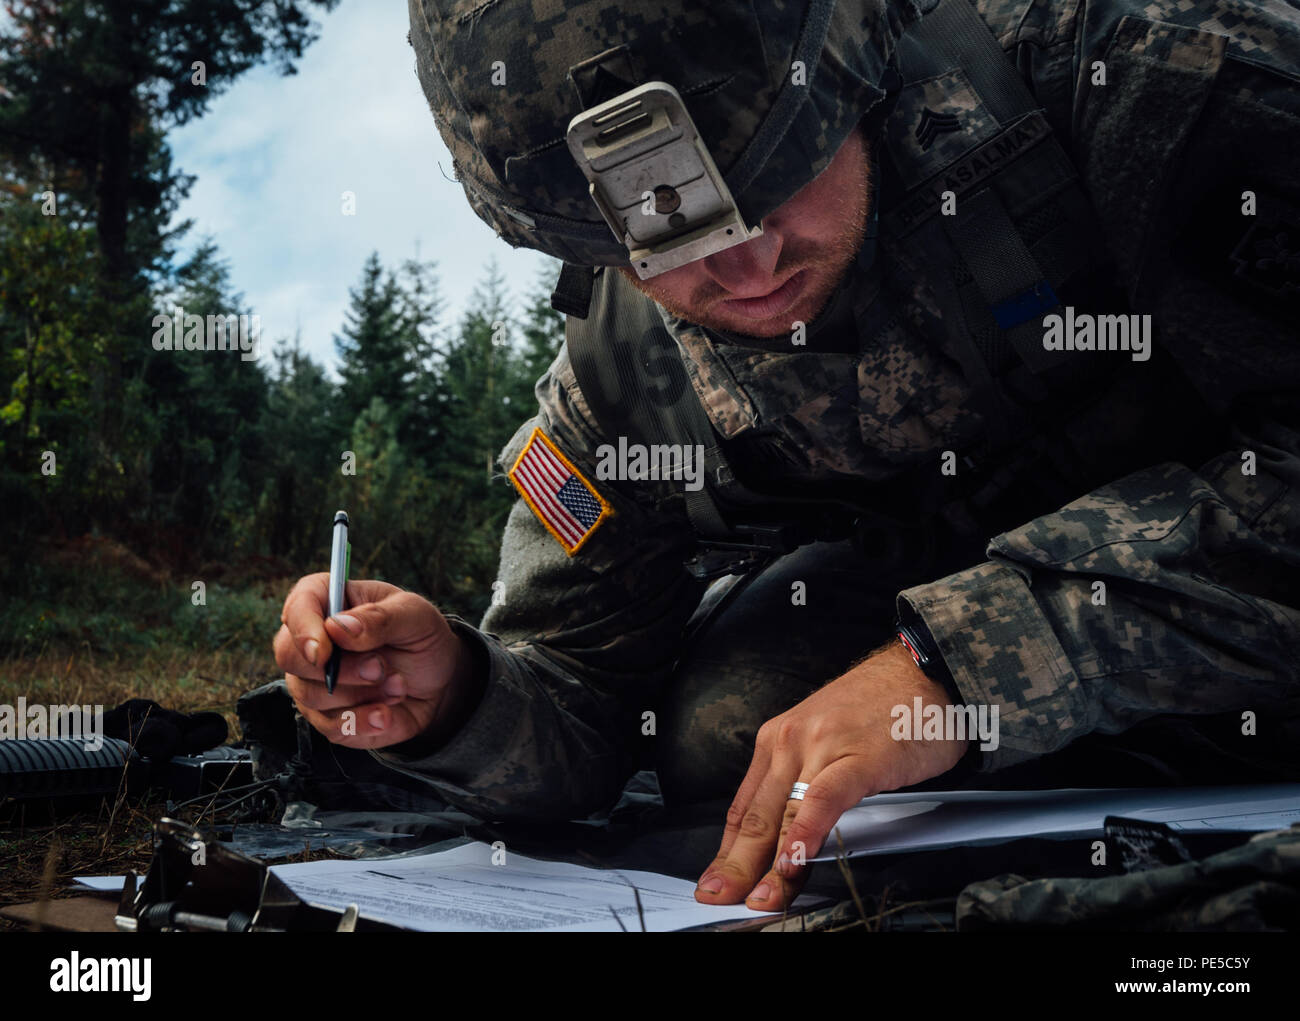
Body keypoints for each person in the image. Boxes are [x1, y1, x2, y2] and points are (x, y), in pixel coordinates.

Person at [273, 0, 1300, 911]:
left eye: (777, 172)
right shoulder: (618, 383)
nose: (747, 261)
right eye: (659, 233)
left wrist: (960, 667)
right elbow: (575, 687)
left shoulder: (1145, 70)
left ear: (858, 59)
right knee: (730, 734)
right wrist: (451, 696)